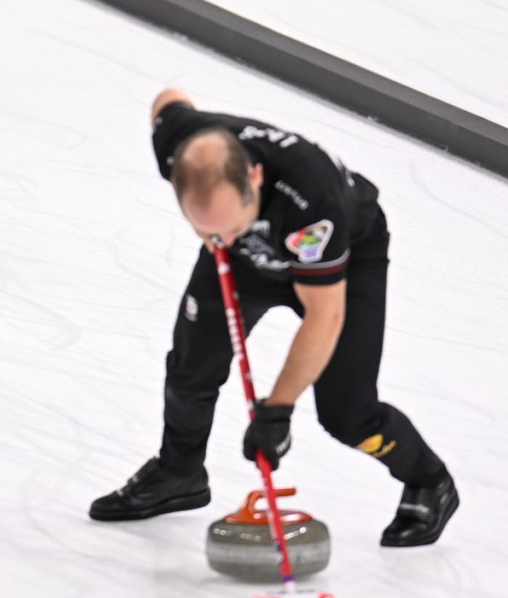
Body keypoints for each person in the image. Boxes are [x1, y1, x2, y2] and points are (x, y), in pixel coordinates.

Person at [89, 88, 459, 547]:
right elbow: (168, 99)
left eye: (227, 223)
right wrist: (223, 235)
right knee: (191, 368)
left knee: (347, 413)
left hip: (342, 260)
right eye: (203, 225)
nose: (215, 236)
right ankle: (178, 474)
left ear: (255, 177)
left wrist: (277, 410)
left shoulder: (311, 200)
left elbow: (323, 316)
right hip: (246, 259)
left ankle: (428, 480)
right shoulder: (179, 145)